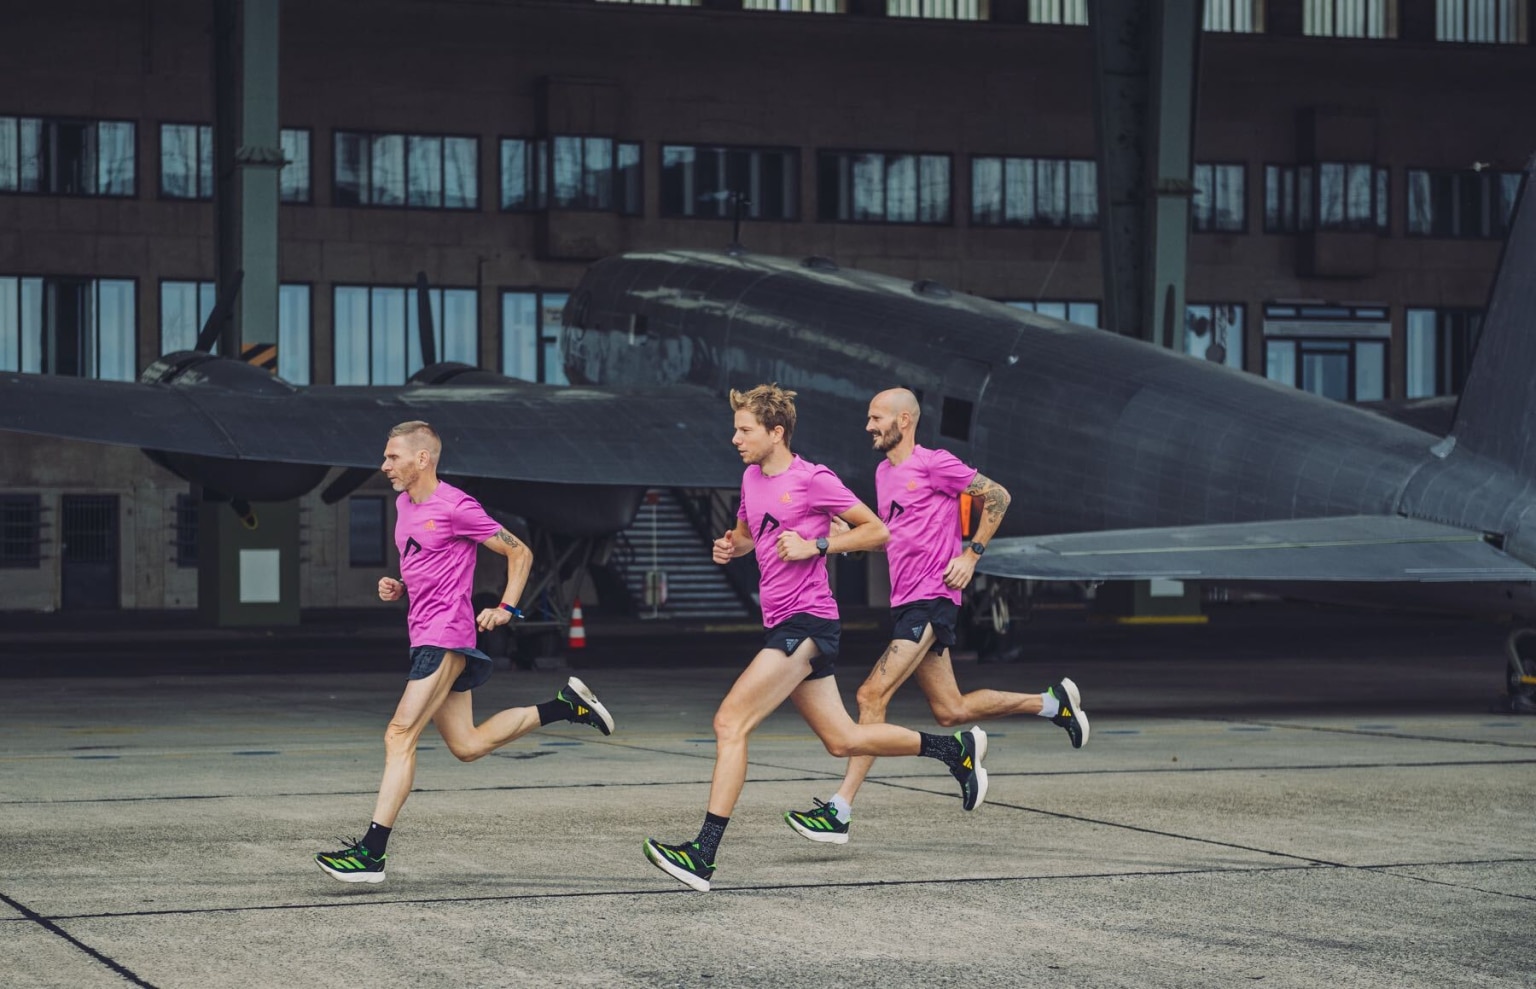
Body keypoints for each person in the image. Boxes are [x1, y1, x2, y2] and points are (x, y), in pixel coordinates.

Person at [643, 385, 991, 892]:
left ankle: (702, 854)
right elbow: (747, 534)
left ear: (775, 432)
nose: (735, 438)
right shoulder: (749, 477)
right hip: (782, 620)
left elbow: (876, 532)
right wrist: (730, 547)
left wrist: (817, 544)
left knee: (729, 722)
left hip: (807, 621)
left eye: (745, 430)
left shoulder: (814, 480)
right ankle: (953, 750)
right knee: (842, 739)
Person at [783, 387, 1087, 846]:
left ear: (904, 420)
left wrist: (971, 555)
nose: (869, 426)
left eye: (876, 417)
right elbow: (890, 535)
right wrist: (841, 533)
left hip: (932, 597)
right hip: (906, 601)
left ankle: (840, 809)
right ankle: (1053, 704)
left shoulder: (935, 462)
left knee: (870, 695)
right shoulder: (885, 473)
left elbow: (998, 496)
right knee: (952, 709)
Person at [315, 420, 614, 883]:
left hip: (445, 636)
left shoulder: (456, 506)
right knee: (468, 745)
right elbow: (426, 561)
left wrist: (507, 608)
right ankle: (565, 707)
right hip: (422, 632)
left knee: (399, 734)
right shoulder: (403, 504)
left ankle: (371, 852)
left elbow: (521, 553)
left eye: (392, 457)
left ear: (422, 458)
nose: (384, 466)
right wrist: (400, 586)